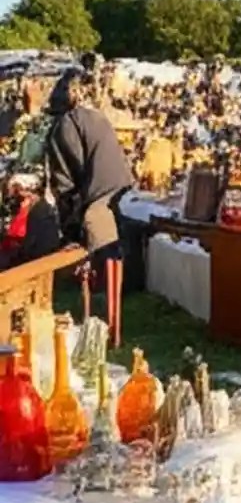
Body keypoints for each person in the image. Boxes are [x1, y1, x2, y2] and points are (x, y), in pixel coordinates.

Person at [44, 69, 136, 347]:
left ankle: (107, 328)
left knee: (103, 256)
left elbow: (66, 178)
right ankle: (113, 323)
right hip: (119, 189)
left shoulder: (65, 126)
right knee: (113, 256)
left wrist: (71, 224)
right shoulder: (95, 117)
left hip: (98, 198)